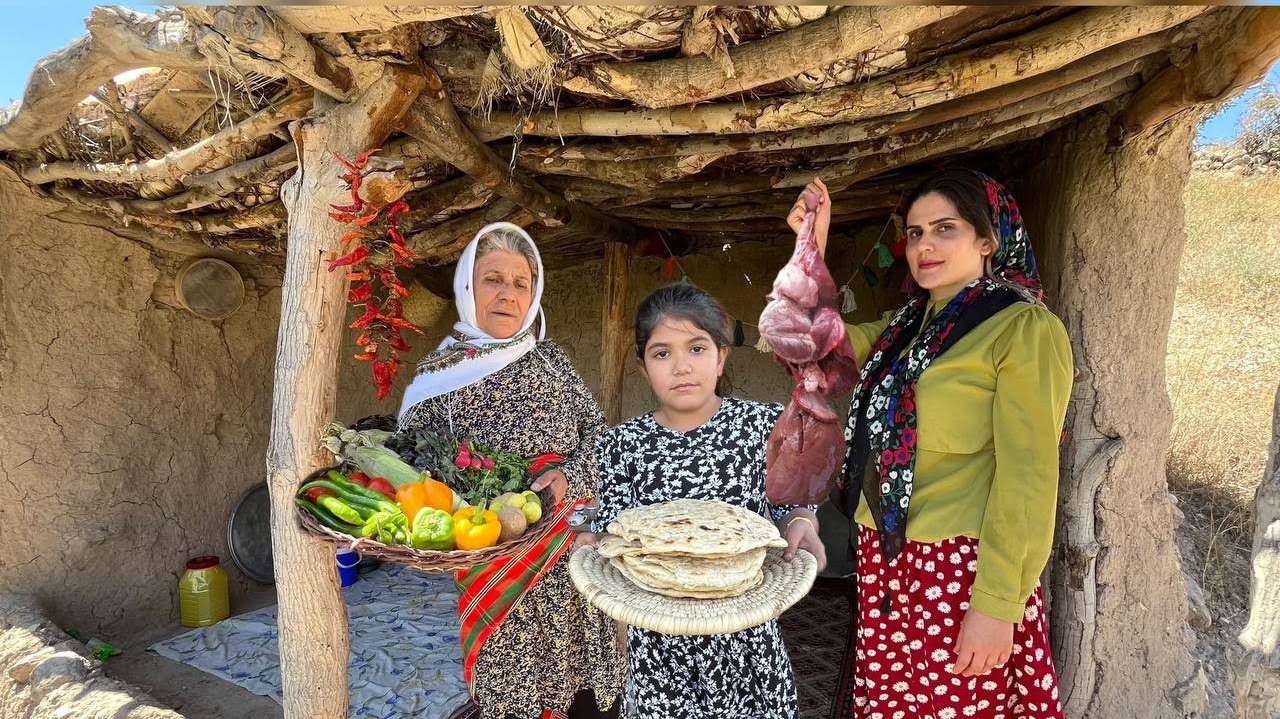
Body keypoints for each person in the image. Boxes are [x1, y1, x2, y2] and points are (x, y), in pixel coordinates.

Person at [788, 172, 1072, 719]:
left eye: (945, 229)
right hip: (887, 558)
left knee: (959, 704)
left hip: (959, 571)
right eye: (915, 234)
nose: (925, 246)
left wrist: (997, 606)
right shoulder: (904, 330)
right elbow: (810, 344)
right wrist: (809, 250)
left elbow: (1029, 478)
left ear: (989, 240)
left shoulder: (1022, 330)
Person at [397, 223, 623, 719]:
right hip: (496, 558)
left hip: (574, 547)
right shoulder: (439, 377)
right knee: (514, 687)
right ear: (467, 288)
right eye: (493, 279)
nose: (508, 294)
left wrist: (571, 479)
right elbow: (410, 464)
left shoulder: (553, 362)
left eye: (521, 283)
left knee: (586, 683)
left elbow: (601, 438)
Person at [579, 283, 828, 719]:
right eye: (662, 353)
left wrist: (802, 523)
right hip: (659, 645)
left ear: (722, 356)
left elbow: (792, 499)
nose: (681, 367)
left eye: (696, 348)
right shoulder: (620, 445)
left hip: (747, 634)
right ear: (642, 367)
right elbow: (617, 543)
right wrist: (591, 541)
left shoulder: (763, 425)